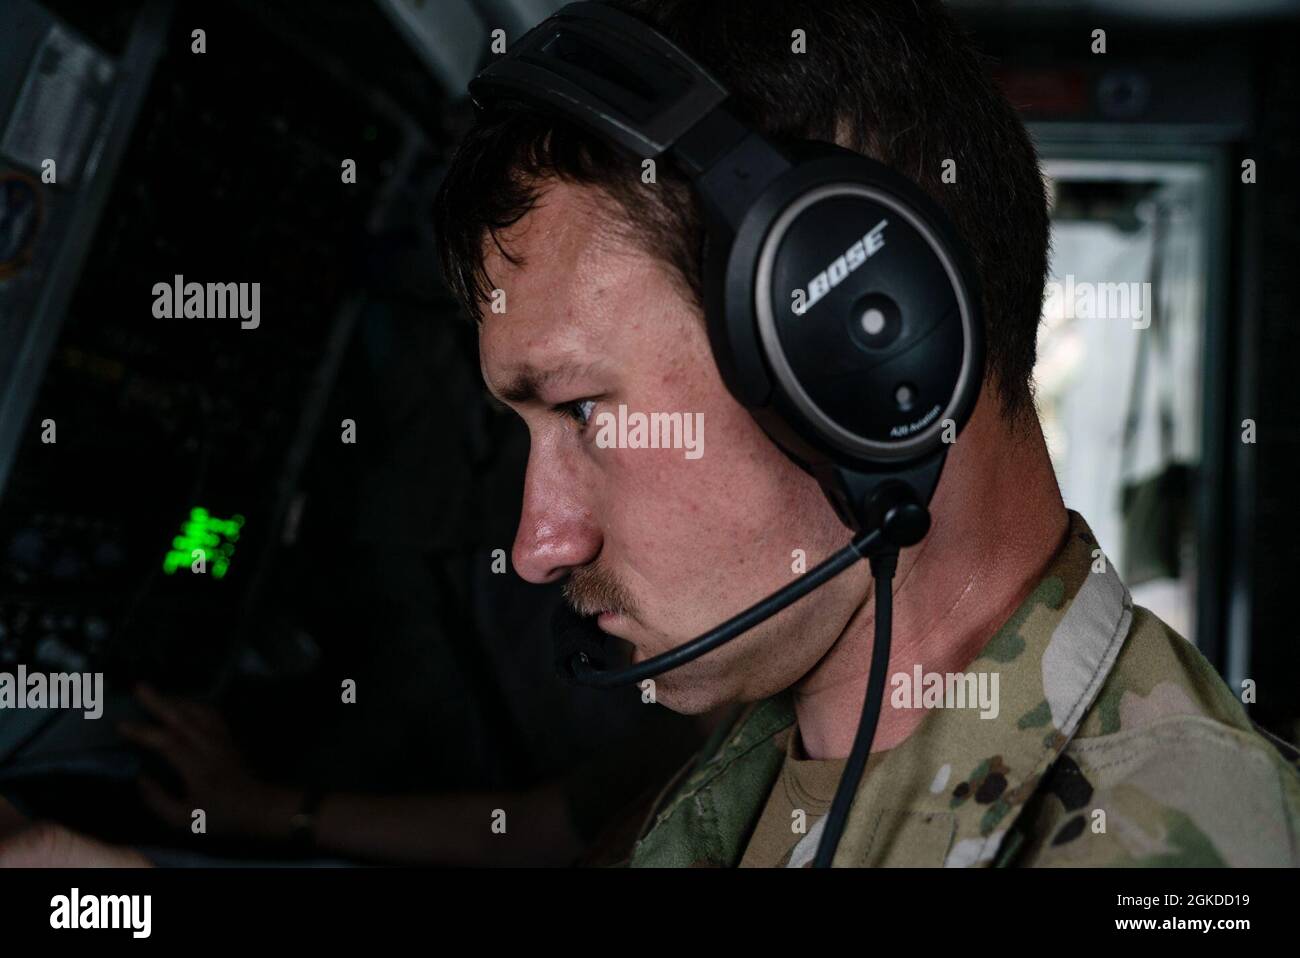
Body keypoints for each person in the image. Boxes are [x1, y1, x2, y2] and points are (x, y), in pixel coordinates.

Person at [431, 0, 1300, 866]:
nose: (540, 543)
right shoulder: (760, 748)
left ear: (851, 350)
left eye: (582, 411)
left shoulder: (1171, 856)